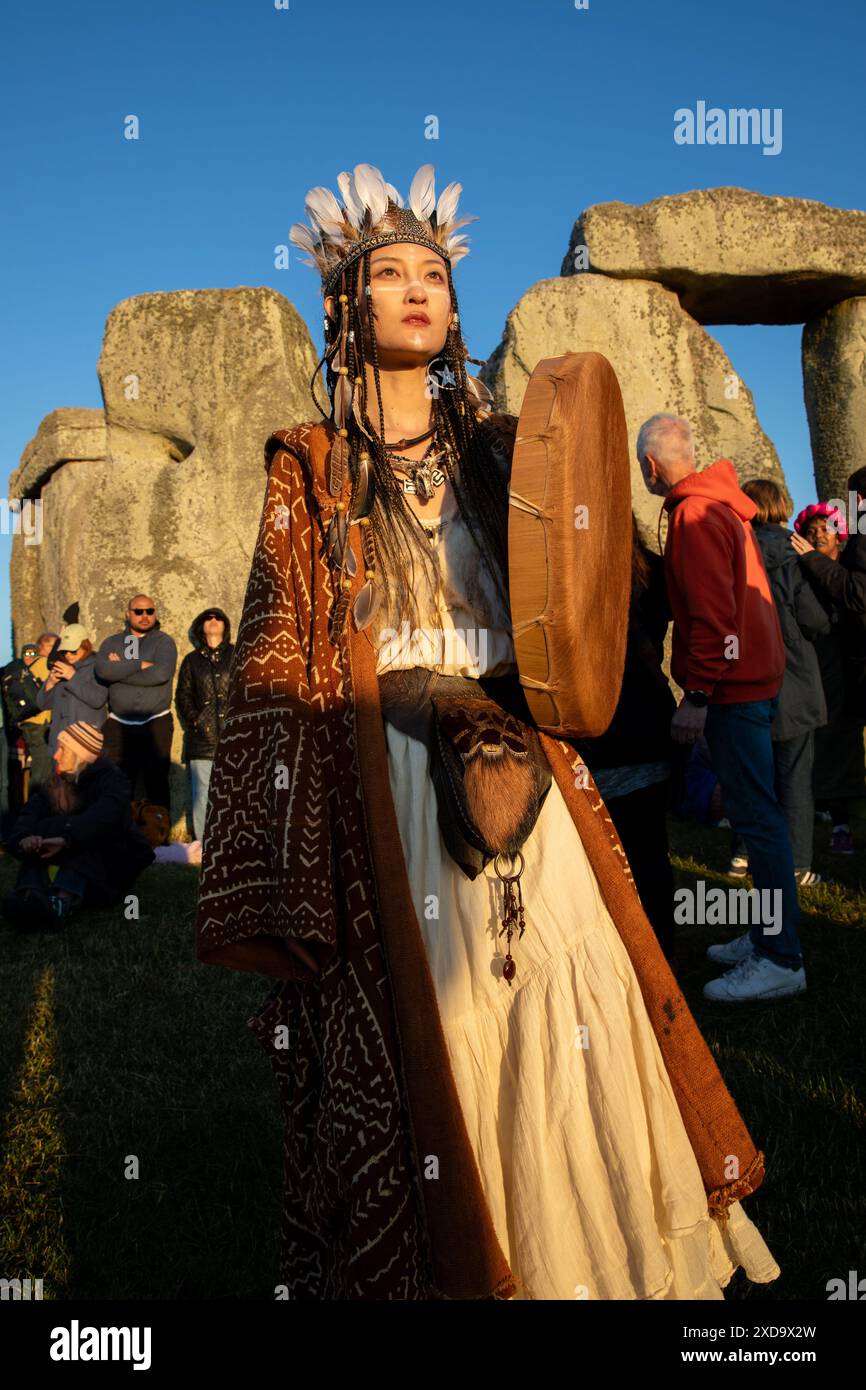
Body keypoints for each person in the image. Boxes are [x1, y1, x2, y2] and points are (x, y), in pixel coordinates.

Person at [195, 164, 780, 1301]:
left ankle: (600, 1261)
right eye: (390, 274)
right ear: (343, 306)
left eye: (434, 274)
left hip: (524, 754)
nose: (418, 290)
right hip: (391, 769)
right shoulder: (308, 468)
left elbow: (595, 583)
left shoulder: (514, 449)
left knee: (575, 993)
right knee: (447, 1021)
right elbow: (275, 657)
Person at [638, 413, 805, 1003]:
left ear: (651, 465)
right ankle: (767, 932)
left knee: (757, 819)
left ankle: (780, 956)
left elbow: (713, 618)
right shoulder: (723, 506)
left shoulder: (695, 515)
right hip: (752, 682)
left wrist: (698, 696)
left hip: (731, 690)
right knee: (755, 813)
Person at [576, 514, 679, 960]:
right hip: (645, 722)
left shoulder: (575, 576)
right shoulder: (655, 571)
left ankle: (634, 955)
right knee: (650, 851)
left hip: (604, 729)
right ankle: (659, 954)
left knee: (609, 858)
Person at [725, 480, 830, 887]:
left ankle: (741, 853)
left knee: (750, 775)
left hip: (746, 678)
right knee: (794, 779)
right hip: (796, 680)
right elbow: (815, 620)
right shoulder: (796, 554)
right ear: (782, 506)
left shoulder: (733, 550)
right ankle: (798, 863)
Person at [1, 721, 155, 930]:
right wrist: (24, 838)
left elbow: (103, 818)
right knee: (42, 835)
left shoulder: (114, 781)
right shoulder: (58, 781)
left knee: (81, 835)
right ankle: (29, 896)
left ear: (80, 755)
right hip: (68, 856)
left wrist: (66, 838)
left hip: (110, 871)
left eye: (62, 749)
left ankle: (60, 903)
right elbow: (32, 811)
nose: (55, 755)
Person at [792, 483, 866, 855]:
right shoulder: (803, 573)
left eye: (826, 528)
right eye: (811, 530)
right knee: (832, 741)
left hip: (854, 669)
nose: (819, 534)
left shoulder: (847, 568)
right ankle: (838, 822)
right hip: (824, 670)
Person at [94, 596, 178, 814]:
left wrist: (119, 670)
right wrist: (139, 664)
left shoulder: (163, 641)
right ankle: (121, 839)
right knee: (118, 783)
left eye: (149, 611)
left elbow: (160, 673)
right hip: (119, 725)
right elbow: (103, 670)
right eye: (138, 611)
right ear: (127, 613)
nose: (144, 616)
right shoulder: (112, 643)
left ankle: (160, 840)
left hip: (155, 721)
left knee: (156, 783)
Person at [174, 607, 234, 841]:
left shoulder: (237, 653)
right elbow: (183, 695)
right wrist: (197, 720)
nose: (213, 620)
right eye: (208, 618)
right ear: (201, 626)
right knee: (202, 794)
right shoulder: (192, 660)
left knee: (233, 792)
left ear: (225, 625)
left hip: (233, 736)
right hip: (202, 739)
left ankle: (232, 839)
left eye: (218, 617)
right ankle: (204, 843)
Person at [37, 622, 108, 754]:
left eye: (73, 650)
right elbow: (42, 705)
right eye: (64, 651)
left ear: (85, 646)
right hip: (60, 743)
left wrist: (72, 676)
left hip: (85, 743)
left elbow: (98, 699)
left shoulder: (98, 665)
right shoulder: (62, 666)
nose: (68, 655)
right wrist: (50, 683)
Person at [2, 633, 57, 796]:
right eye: (53, 646)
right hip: (39, 722)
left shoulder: (30, 667)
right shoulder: (43, 664)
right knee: (42, 768)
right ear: (43, 647)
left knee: (40, 766)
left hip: (30, 721)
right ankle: (35, 808)